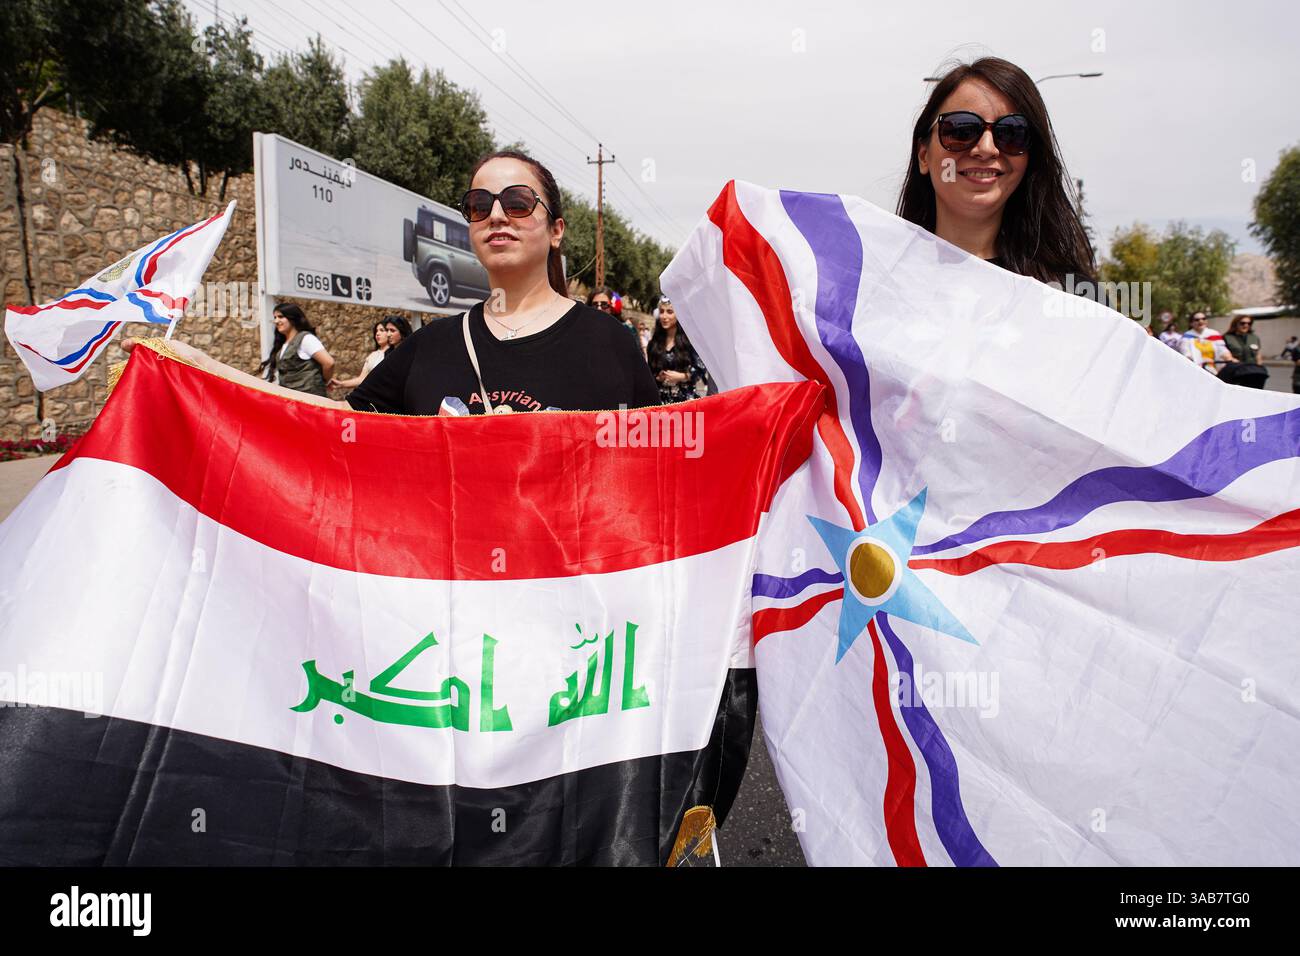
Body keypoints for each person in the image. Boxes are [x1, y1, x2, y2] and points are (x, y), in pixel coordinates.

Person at [134, 150, 657, 416]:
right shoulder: (429, 348)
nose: (497, 215)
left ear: (556, 229)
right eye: (479, 206)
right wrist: (205, 372)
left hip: (579, 610)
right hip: (454, 606)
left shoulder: (608, 342)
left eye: (518, 202)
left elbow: (664, 466)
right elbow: (330, 421)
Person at [898, 57, 1095, 288]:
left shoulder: (1076, 299)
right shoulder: (871, 283)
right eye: (961, 129)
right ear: (924, 156)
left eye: (1012, 132)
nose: (986, 149)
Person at [259, 303, 334, 397]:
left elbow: (329, 363)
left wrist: (324, 381)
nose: (276, 321)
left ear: (292, 318)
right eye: (275, 317)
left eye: (280, 317)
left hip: (309, 399)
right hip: (292, 401)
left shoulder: (306, 339)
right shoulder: (283, 345)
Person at [646, 296, 706, 404]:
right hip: (660, 403)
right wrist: (658, 377)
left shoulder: (689, 342)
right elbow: (649, 372)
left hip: (685, 402)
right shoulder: (653, 344)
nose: (664, 316)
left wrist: (682, 376)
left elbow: (701, 368)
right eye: (661, 311)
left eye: (669, 312)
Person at [329, 320, 391, 392]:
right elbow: (362, 379)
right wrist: (341, 384)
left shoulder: (394, 353)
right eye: (376, 331)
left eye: (382, 330)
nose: (377, 333)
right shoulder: (373, 355)